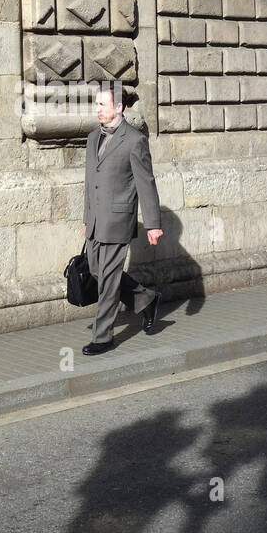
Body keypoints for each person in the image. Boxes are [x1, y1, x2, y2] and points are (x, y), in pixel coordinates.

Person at [80, 82, 164, 354]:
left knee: (107, 279)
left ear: (118, 107)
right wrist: (86, 218)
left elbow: (146, 183)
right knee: (96, 271)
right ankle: (146, 298)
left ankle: (103, 336)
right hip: (95, 220)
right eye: (96, 104)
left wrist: (152, 224)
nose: (97, 109)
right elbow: (89, 181)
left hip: (118, 220)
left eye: (101, 105)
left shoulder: (135, 141)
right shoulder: (94, 138)